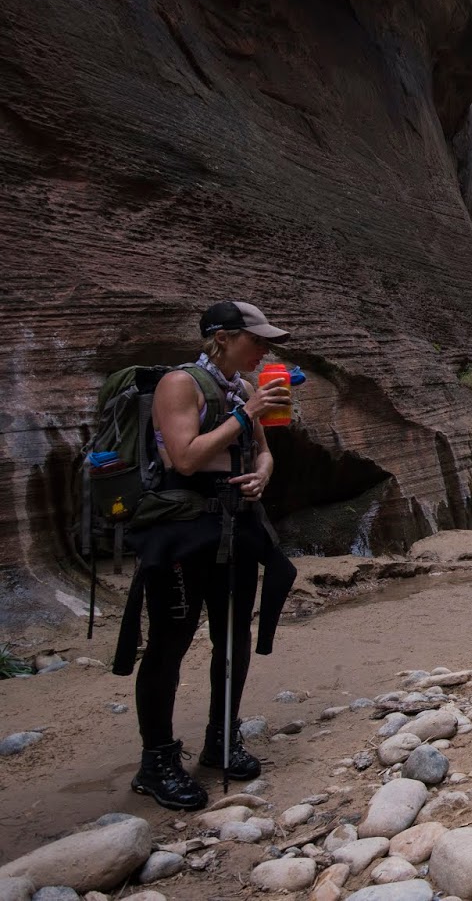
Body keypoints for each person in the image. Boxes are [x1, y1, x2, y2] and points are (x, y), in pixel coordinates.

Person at [114, 301, 296, 811]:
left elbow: (263, 449)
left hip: (235, 526)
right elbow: (186, 456)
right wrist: (246, 414)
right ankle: (156, 761)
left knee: (232, 639)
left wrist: (263, 471)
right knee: (169, 644)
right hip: (183, 532)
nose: (265, 349)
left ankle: (221, 739)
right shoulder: (181, 384)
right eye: (256, 339)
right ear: (222, 337)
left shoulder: (244, 388)